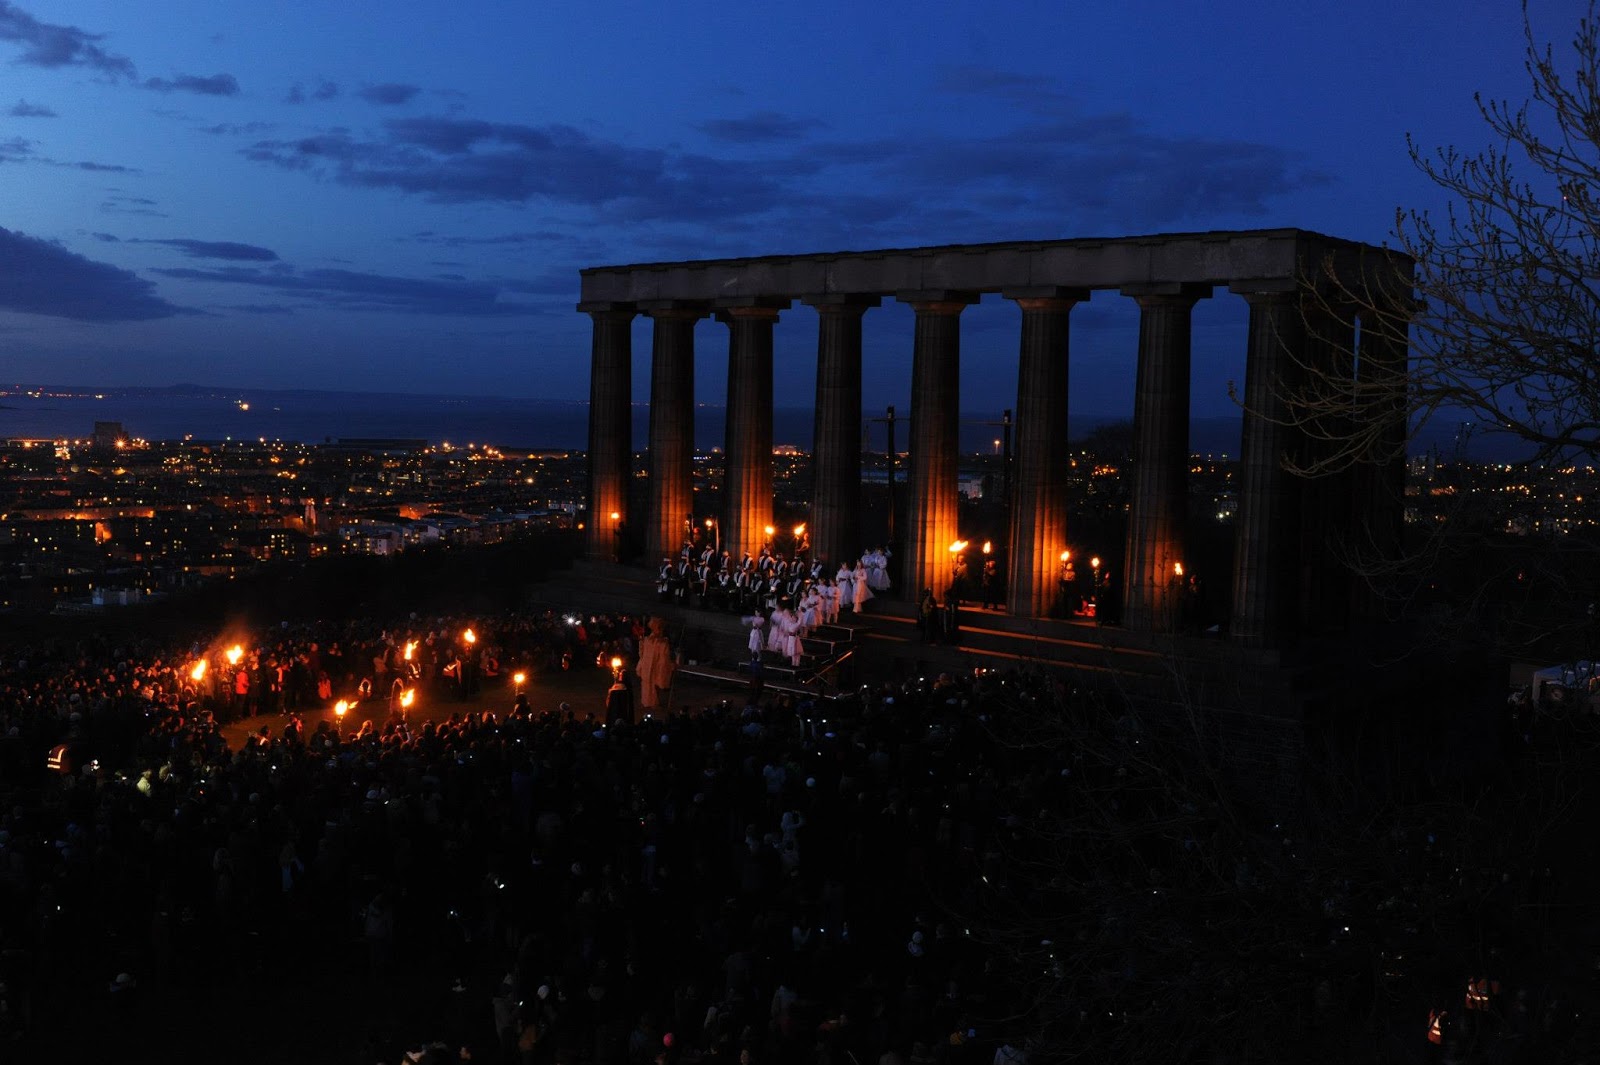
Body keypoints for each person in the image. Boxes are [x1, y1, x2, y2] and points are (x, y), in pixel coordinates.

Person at [637, 617, 676, 714]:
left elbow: (641, 653)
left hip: (649, 667)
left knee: (650, 686)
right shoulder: (661, 643)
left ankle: (649, 702)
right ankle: (652, 703)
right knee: (651, 686)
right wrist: (671, 666)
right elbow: (664, 658)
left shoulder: (648, 640)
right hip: (654, 668)